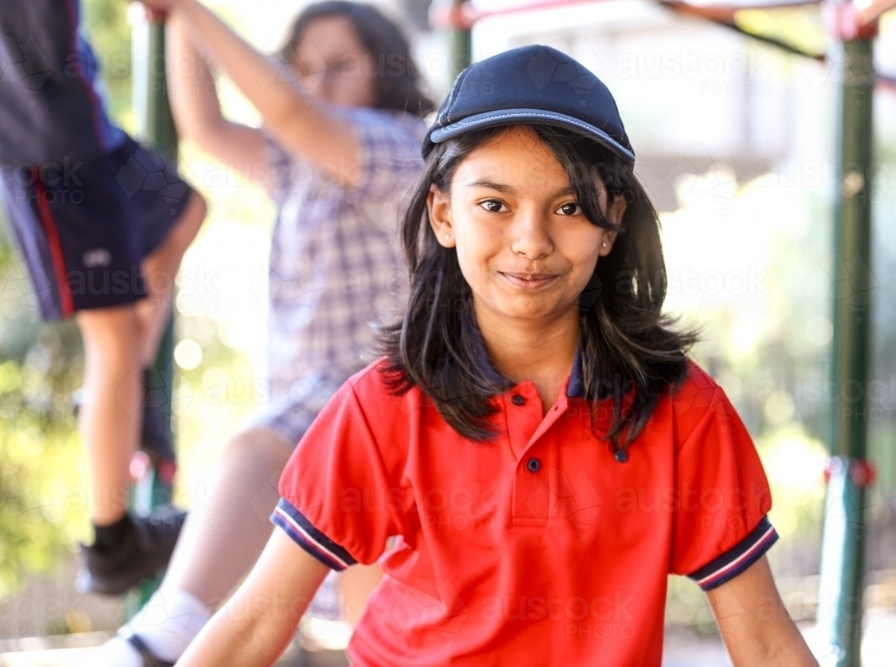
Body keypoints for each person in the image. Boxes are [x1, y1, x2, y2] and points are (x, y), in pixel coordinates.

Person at [172, 44, 820, 667]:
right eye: (494, 204)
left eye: (569, 206)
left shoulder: (681, 410)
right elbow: (257, 620)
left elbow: (765, 645)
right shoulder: (382, 406)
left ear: (612, 221)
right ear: (443, 214)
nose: (530, 240)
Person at [91, 1, 432, 665]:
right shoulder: (298, 163)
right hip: (326, 409)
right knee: (372, 612)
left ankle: (165, 633)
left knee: (257, 448)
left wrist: (191, 7)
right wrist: (177, 19)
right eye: (303, 68)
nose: (318, 82)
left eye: (339, 66)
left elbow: (291, 112)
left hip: (377, 391)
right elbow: (204, 124)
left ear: (386, 67)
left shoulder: (395, 144)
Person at [0, 1, 207, 594]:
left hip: (91, 134)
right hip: (48, 151)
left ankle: (123, 395)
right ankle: (112, 542)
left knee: (184, 209)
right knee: (110, 337)